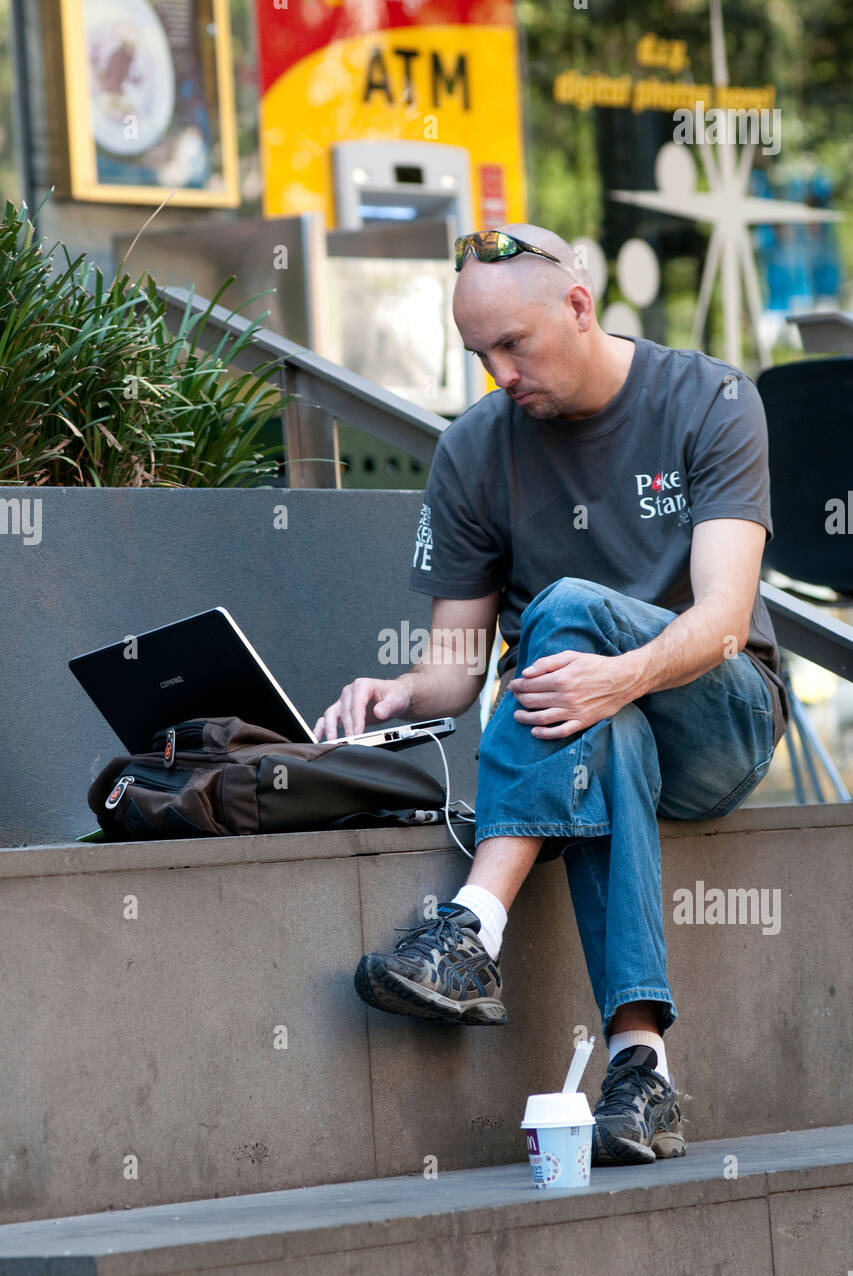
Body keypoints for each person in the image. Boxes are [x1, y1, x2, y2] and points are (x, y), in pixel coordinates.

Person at [314, 224, 788, 1166]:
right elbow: (454, 666)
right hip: (591, 734)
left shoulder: (711, 400)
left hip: (720, 715)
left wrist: (615, 672)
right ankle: (639, 1073)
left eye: (512, 345)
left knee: (563, 618)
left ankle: (471, 926)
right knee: (604, 736)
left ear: (578, 307)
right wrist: (396, 691)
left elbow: (725, 620)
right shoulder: (474, 450)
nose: (498, 374)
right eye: (478, 354)